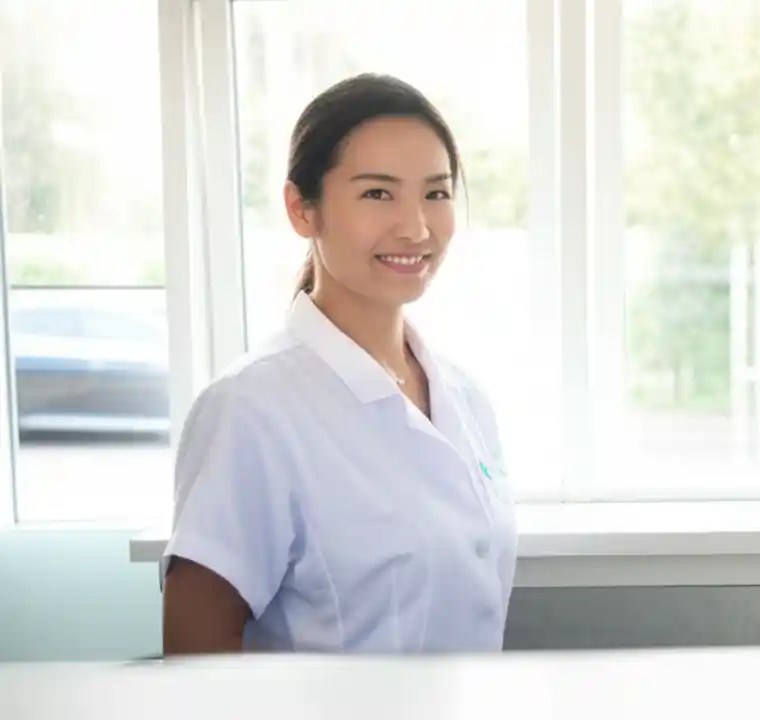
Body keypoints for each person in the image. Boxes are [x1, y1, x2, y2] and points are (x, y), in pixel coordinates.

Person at [161, 74, 516, 655]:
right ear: (303, 210)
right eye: (378, 194)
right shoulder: (250, 409)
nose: (416, 227)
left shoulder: (466, 398)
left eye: (436, 192)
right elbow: (196, 657)